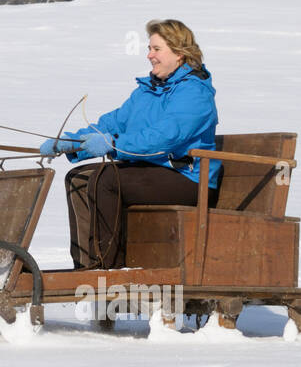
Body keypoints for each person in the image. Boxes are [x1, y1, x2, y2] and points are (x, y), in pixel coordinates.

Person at [40, 19, 221, 270]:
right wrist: (72, 142)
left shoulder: (194, 94)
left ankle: (109, 266)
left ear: (179, 53)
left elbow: (163, 139)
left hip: (189, 179)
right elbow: (113, 123)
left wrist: (113, 145)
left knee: (107, 180)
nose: (149, 55)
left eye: (156, 49)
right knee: (78, 177)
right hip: (154, 172)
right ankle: (86, 264)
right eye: (149, 48)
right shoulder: (148, 91)